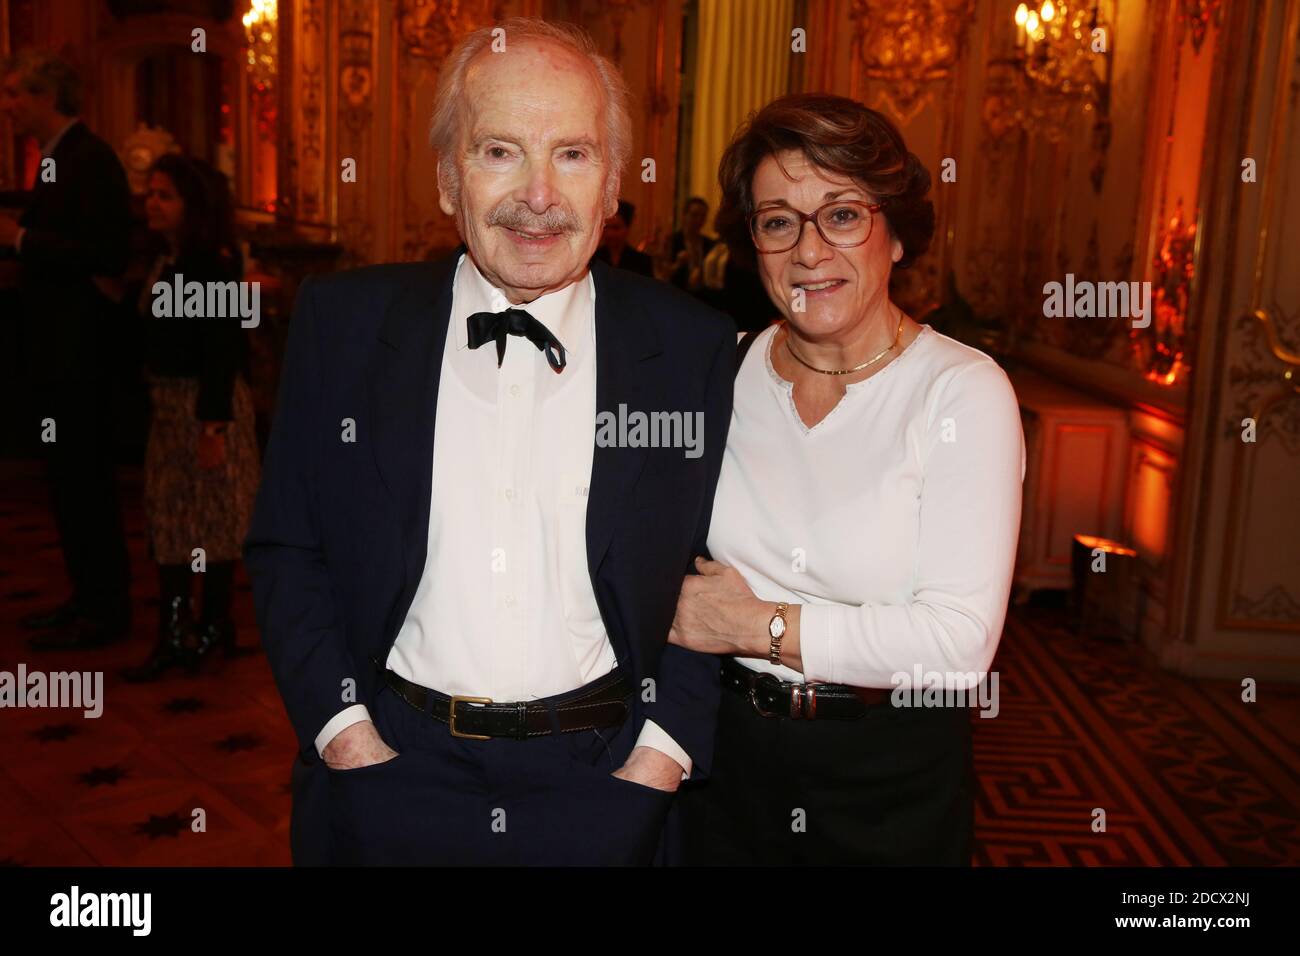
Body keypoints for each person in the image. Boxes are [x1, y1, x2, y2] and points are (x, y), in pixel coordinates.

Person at [244, 17, 733, 866]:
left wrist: (660, 761)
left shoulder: (691, 347)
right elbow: (288, 547)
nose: (538, 195)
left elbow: (717, 568)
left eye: (573, 155)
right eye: (500, 151)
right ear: (446, 178)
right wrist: (345, 736)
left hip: (609, 780)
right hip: (391, 770)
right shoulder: (345, 327)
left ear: (612, 184)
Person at [668, 93, 1025, 865]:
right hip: (723, 763)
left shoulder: (961, 391)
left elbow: (957, 645)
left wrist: (757, 626)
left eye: (842, 215)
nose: (808, 251)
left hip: (886, 776)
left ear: (895, 235)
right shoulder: (719, 372)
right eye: (777, 220)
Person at [0, 51, 133, 650]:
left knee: (85, 482)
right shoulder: (57, 158)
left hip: (81, 356)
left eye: (16, 94)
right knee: (66, 482)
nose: (8, 106)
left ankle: (104, 609)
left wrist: (21, 238)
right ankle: (85, 596)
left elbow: (105, 254)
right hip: (58, 352)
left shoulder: (89, 158)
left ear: (47, 95)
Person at [120, 155, 260, 682]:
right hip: (171, 404)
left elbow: (222, 349)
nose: (152, 203)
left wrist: (212, 427)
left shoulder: (208, 264)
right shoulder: (168, 259)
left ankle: (205, 628)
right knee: (172, 520)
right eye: (150, 193)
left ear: (192, 206)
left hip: (205, 405)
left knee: (210, 522)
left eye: (166, 195)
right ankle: (184, 630)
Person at [591, 199, 654, 277]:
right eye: (606, 227)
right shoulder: (593, 258)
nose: (610, 233)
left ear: (627, 228)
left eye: (616, 228)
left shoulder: (641, 261)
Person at [665, 195, 715, 291]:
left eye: (703, 216)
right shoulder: (672, 240)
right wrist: (678, 264)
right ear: (684, 215)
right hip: (677, 293)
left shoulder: (709, 244)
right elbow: (663, 275)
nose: (699, 220)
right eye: (694, 215)